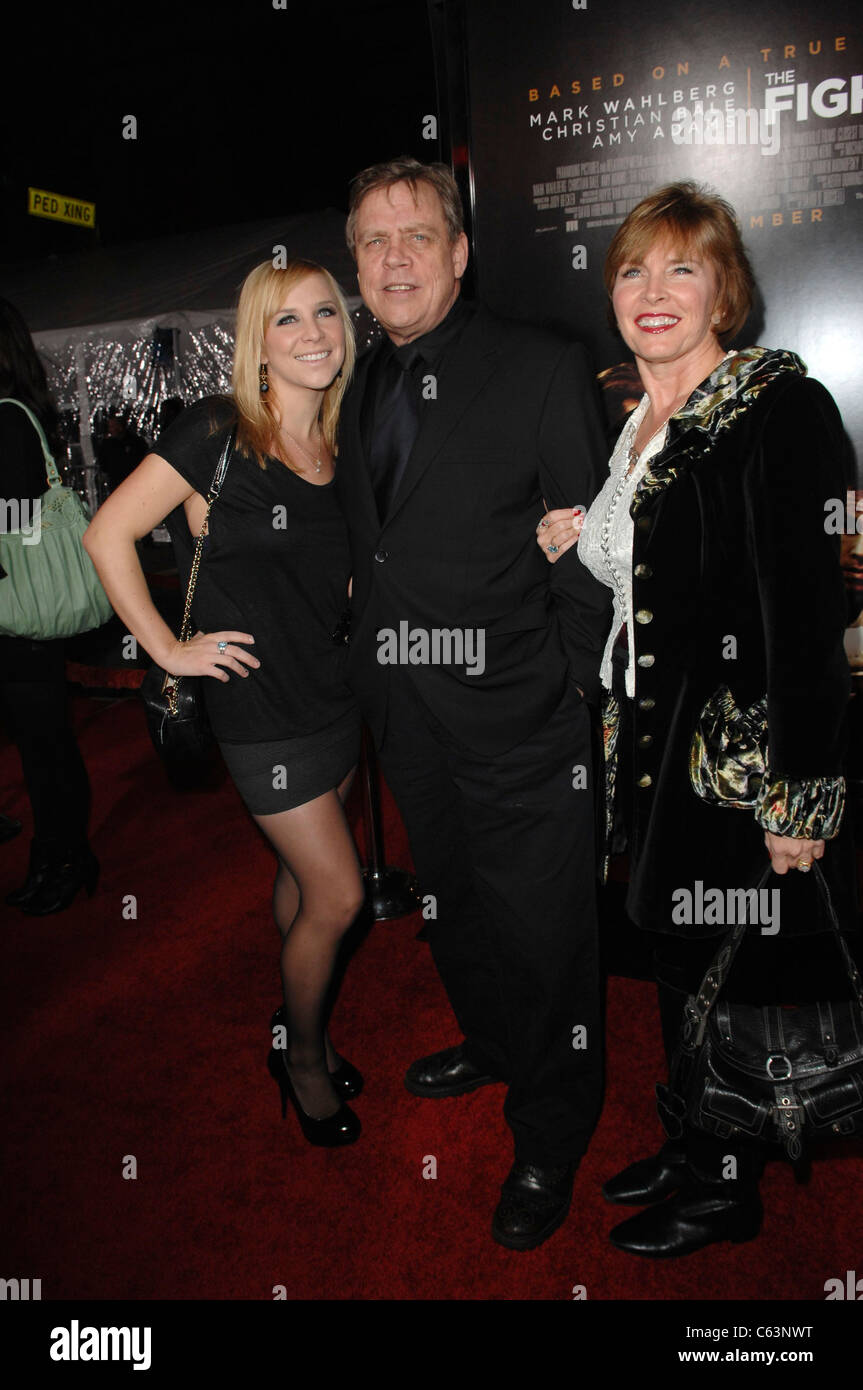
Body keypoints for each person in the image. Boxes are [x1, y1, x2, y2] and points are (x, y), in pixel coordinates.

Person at [537, 181, 858, 1256]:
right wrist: (576, 532)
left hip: (735, 761)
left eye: (681, 266)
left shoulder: (776, 409)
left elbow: (808, 616)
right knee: (677, 959)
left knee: (736, 973)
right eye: (631, 269)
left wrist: (797, 791)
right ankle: (689, 1139)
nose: (652, 290)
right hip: (645, 745)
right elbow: (661, 563)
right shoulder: (637, 415)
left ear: (725, 288)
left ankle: (726, 1187)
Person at [337, 156, 612, 1249]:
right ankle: (492, 1042)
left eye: (416, 236)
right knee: (452, 902)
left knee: (546, 934)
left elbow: (588, 550)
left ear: (459, 254)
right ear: (354, 264)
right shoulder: (354, 378)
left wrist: (557, 693)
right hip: (403, 714)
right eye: (371, 240)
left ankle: (552, 1125)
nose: (393, 257)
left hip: (520, 720)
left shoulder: (542, 366)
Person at [83, 259, 365, 1147]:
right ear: (257, 343)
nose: (313, 331)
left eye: (325, 312)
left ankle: (294, 1018)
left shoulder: (340, 443)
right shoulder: (218, 430)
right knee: (339, 895)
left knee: (299, 878)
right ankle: (303, 1058)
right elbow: (108, 532)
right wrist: (167, 648)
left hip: (336, 696)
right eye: (286, 321)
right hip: (255, 711)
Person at [0, 297, 98, 915]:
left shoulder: (6, 418)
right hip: (22, 608)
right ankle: (59, 855)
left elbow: (17, 513)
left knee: (44, 744)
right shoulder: (16, 413)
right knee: (46, 740)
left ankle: (64, 857)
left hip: (22, 608)